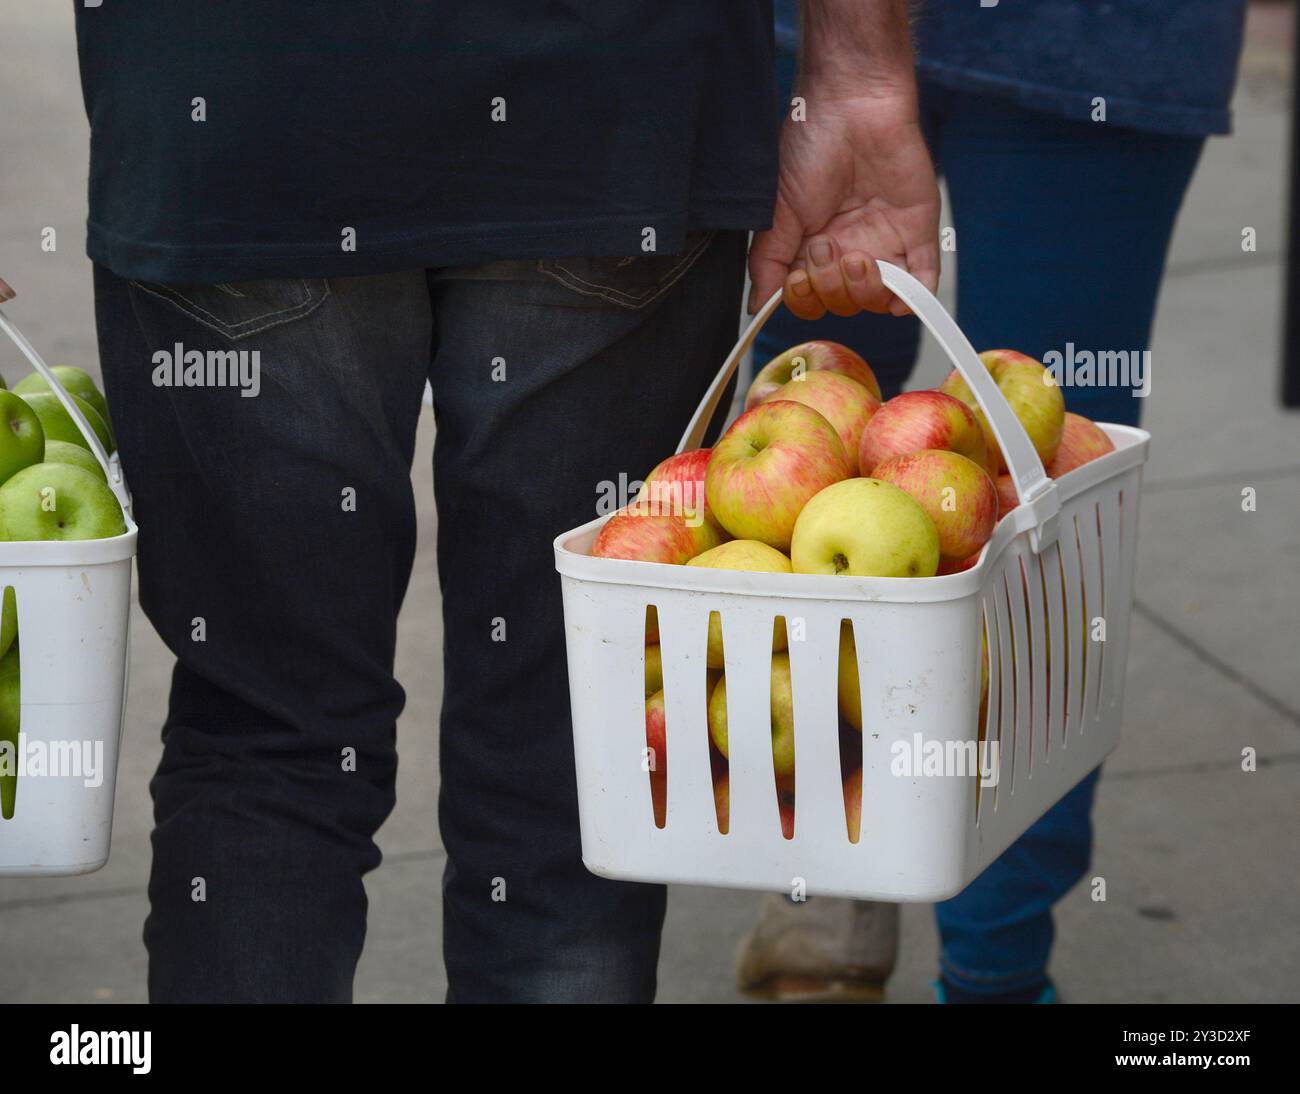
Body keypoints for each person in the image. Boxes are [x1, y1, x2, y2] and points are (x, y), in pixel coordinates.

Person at [58, 1, 938, 1002]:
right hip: (608, 106)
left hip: (240, 101)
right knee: (572, 716)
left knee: (267, 733)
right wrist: (857, 69)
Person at [736, 0, 1248, 1004]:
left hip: (881, 29)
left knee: (879, 451)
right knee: (1045, 523)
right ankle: (979, 959)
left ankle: (838, 904)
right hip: (1096, 34)